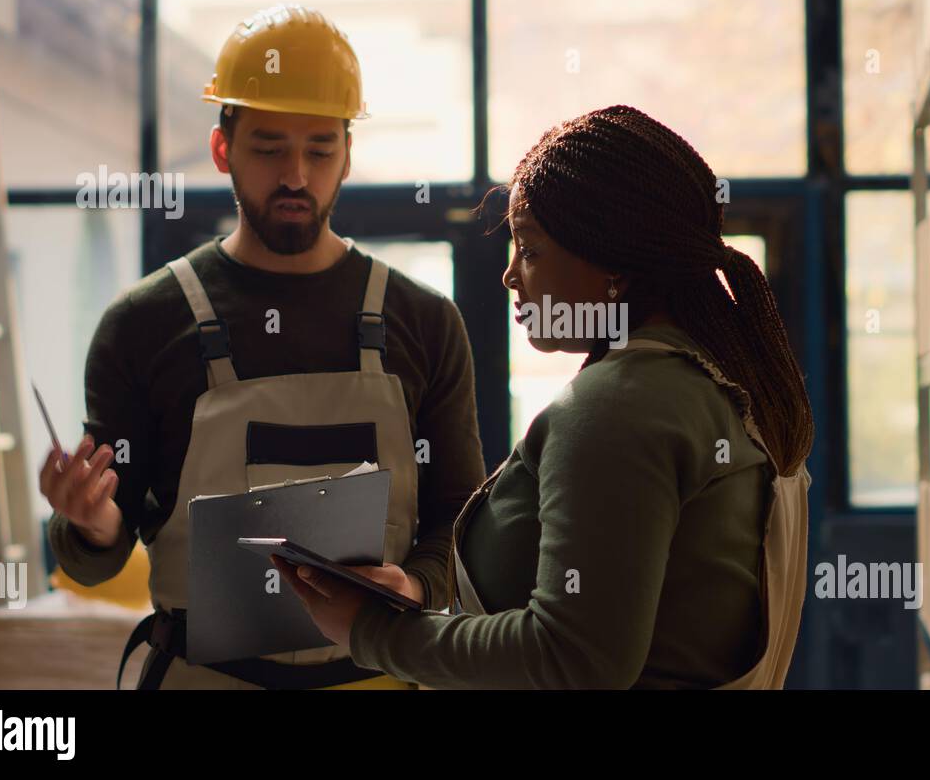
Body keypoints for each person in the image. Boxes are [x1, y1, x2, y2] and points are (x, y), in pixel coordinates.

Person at [280, 104, 815, 689]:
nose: (511, 276)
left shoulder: (619, 405)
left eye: (529, 249)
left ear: (614, 261)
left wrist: (374, 633)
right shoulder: (716, 383)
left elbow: (573, 658)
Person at [38, 4, 485, 689]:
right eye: (270, 147)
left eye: (320, 149)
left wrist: (417, 586)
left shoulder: (423, 322)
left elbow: (461, 516)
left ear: (348, 151)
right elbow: (95, 558)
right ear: (223, 149)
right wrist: (93, 522)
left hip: (378, 676)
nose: (297, 177)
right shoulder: (143, 324)